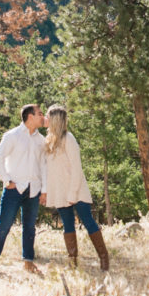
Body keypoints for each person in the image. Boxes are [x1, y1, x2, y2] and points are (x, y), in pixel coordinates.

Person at [0, 104, 47, 275]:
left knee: (30, 227)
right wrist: (6, 180)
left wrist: (44, 190)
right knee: (3, 226)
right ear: (30, 117)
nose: (43, 117)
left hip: (34, 189)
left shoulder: (41, 140)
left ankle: (28, 262)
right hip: (14, 189)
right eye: (40, 114)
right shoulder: (12, 136)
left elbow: (44, 166)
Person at [43, 104, 109, 271]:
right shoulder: (49, 141)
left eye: (47, 116)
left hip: (76, 190)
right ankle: (72, 262)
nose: (45, 119)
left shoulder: (69, 139)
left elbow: (76, 168)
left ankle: (104, 258)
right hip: (60, 191)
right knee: (67, 224)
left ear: (55, 119)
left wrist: (72, 193)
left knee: (88, 221)